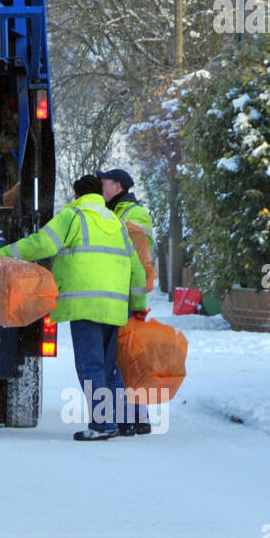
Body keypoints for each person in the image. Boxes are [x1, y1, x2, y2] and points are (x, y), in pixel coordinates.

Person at [0, 174, 148, 441]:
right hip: (115, 308)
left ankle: (102, 425)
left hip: (85, 304)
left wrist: (4, 253)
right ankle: (115, 421)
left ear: (77, 195)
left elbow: (42, 244)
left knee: (90, 365)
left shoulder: (73, 216)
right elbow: (136, 268)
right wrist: (138, 306)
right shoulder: (116, 222)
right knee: (107, 366)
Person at [98, 168, 157, 436]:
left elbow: (137, 262)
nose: (102, 187)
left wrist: (137, 302)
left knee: (124, 358)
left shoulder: (133, 214)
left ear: (118, 186)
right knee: (127, 356)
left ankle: (128, 418)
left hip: (129, 295)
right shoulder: (117, 211)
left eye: (105, 183)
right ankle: (137, 418)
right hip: (124, 294)